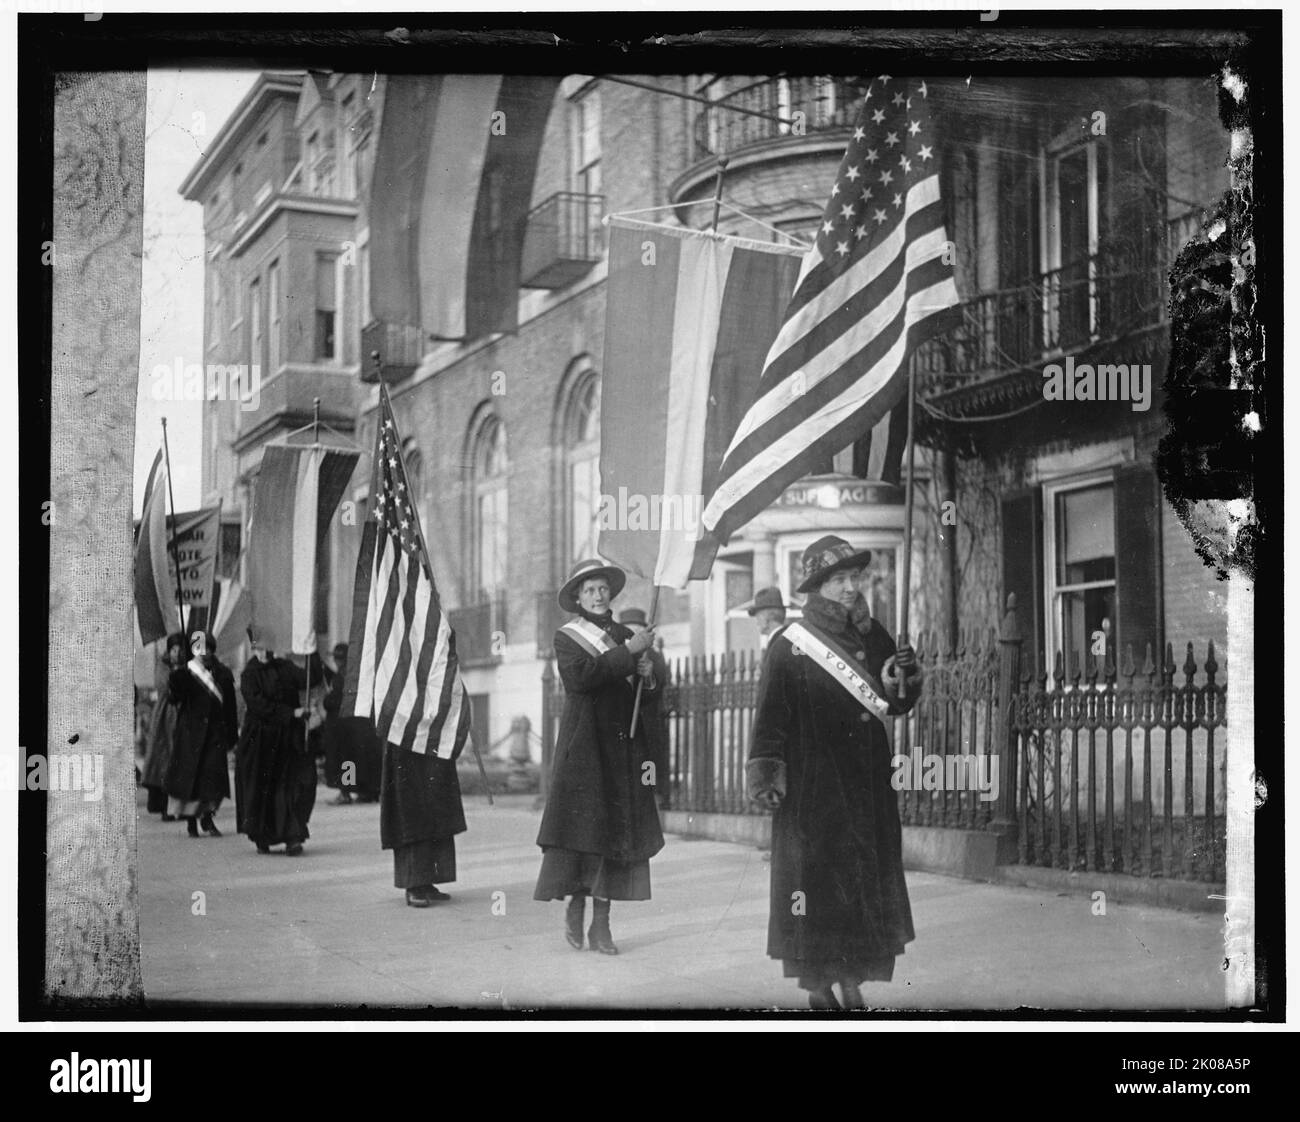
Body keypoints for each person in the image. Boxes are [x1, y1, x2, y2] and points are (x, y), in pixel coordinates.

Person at [746, 535, 923, 1010]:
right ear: (818, 586)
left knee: (860, 881)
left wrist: (905, 674)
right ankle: (819, 983)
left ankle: (850, 975)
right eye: (839, 579)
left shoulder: (872, 634)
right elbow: (770, 720)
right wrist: (767, 777)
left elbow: (895, 701)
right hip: (814, 788)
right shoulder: (788, 646)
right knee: (817, 886)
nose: (850, 587)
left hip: (865, 783)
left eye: (854, 578)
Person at [534, 559, 665, 954]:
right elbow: (582, 678)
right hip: (585, 748)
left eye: (603, 587)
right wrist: (630, 654)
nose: (598, 594)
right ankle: (576, 903)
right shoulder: (567, 638)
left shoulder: (628, 634)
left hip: (622, 747)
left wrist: (648, 673)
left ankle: (602, 926)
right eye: (589, 589)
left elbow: (651, 696)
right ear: (578, 597)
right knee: (584, 834)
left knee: (615, 837)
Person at [235, 628, 320, 855]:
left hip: (288, 741)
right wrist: (291, 713)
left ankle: (293, 835)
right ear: (254, 648)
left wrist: (311, 651)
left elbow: (309, 679)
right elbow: (258, 705)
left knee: (295, 786)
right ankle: (264, 835)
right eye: (260, 648)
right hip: (260, 742)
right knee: (264, 791)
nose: (265, 652)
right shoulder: (249, 674)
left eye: (267, 647)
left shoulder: (285, 667)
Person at [164, 631, 238, 837]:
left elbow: (229, 708)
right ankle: (191, 822)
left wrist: (232, 736)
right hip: (191, 735)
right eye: (199, 649)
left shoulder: (223, 674)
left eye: (208, 649)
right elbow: (175, 697)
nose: (204, 653)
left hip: (215, 735)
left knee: (212, 780)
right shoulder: (187, 673)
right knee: (191, 780)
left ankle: (207, 818)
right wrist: (178, 674)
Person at [618, 607, 670, 807]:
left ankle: (650, 800)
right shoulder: (618, 654)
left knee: (647, 765)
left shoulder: (654, 656)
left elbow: (659, 686)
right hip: (621, 722)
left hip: (646, 722)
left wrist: (649, 676)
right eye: (629, 632)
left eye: (638, 631)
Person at [323, 642, 381, 805]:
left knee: (346, 762)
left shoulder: (341, 677)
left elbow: (333, 701)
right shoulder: (358, 673)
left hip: (344, 729)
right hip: (361, 727)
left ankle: (346, 792)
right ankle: (367, 791)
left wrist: (326, 701)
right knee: (360, 761)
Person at [140, 632, 186, 820]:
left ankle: (180, 807)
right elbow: (164, 686)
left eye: (179, 650)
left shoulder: (184, 665)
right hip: (165, 715)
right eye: (174, 649)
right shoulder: (163, 665)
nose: (176, 653)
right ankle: (165, 807)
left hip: (182, 713)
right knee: (165, 761)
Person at [747, 586, 788, 651]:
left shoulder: (777, 644)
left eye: (758, 615)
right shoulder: (788, 640)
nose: (757, 621)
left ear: (770, 615)